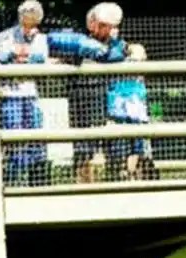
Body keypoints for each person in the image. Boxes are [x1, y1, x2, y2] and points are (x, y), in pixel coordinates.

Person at [47, 2, 128, 183]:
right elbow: (52, 46)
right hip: (82, 99)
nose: (107, 30)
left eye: (110, 26)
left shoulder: (118, 46)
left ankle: (117, 186)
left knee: (115, 147)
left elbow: (126, 52)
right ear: (92, 23)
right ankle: (84, 189)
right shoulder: (78, 41)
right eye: (103, 25)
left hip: (110, 100)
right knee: (84, 149)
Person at [0, 1, 50, 186]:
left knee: (36, 138)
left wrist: (21, 55)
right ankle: (11, 184)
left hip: (30, 93)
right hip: (10, 95)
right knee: (12, 139)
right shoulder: (5, 36)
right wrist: (14, 53)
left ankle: (38, 184)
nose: (31, 20)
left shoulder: (41, 39)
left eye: (35, 17)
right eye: (28, 16)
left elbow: (40, 59)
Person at [106, 43, 156, 180]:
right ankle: (123, 174)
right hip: (119, 114)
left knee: (139, 150)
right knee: (120, 151)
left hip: (137, 114)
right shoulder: (115, 63)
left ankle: (133, 175)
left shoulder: (139, 73)